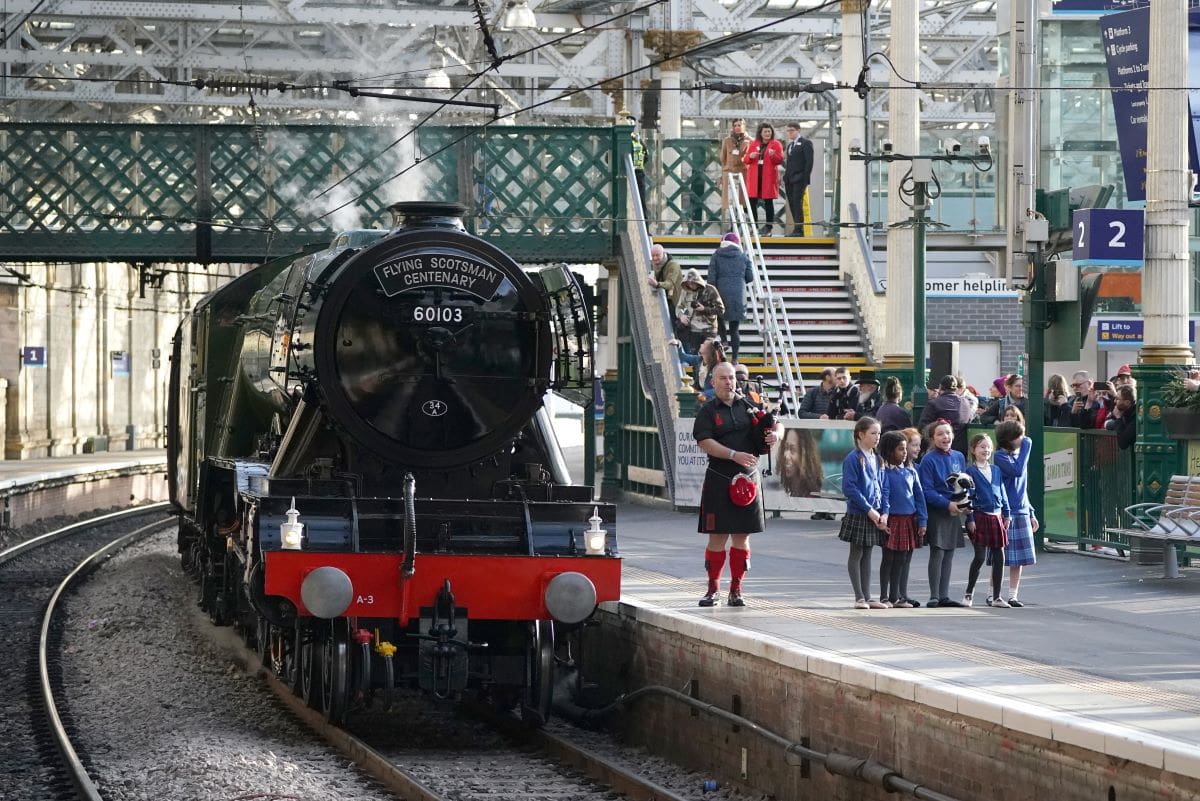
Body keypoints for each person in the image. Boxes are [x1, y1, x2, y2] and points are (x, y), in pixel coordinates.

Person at [693, 363, 779, 607]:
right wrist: (733, 455)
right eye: (723, 378)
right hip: (719, 477)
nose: (729, 382)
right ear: (713, 382)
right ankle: (713, 590)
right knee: (717, 537)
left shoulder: (749, 405)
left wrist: (776, 435)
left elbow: (775, 423)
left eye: (731, 377)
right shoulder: (707, 410)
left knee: (741, 537)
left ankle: (736, 590)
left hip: (748, 479)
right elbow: (704, 441)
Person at [838, 416, 888, 609]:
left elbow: (884, 487)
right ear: (861, 434)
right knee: (857, 553)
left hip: (875, 512)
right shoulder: (853, 458)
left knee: (868, 553)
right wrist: (869, 509)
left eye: (879, 433)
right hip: (859, 512)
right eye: (873, 433)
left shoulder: (878, 459)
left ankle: (867, 596)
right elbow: (850, 488)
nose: (877, 437)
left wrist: (884, 512)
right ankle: (859, 597)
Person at [917, 419, 968, 607]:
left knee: (949, 553)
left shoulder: (958, 456)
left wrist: (965, 506)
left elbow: (964, 484)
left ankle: (944, 595)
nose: (945, 437)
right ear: (932, 438)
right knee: (937, 551)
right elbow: (927, 490)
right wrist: (947, 504)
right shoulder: (928, 459)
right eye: (940, 434)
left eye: (948, 433)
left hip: (954, 510)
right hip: (938, 510)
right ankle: (934, 595)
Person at [878, 430, 927, 608]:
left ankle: (896, 596)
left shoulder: (911, 472)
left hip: (909, 520)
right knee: (888, 559)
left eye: (905, 449)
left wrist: (923, 521)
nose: (905, 453)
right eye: (900, 449)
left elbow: (919, 498)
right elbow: (884, 496)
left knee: (902, 559)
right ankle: (884, 596)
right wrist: (883, 516)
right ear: (889, 451)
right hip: (892, 520)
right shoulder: (884, 473)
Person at [962, 432, 1011, 608]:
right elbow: (968, 495)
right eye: (982, 446)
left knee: (1000, 556)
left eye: (989, 447)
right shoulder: (970, 471)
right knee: (980, 556)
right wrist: (970, 518)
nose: (986, 450)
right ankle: (969, 593)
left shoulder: (996, 470)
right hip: (979, 516)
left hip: (996, 516)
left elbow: (1002, 491)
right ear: (973, 450)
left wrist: (1007, 513)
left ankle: (997, 597)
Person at [995, 420, 1037, 607]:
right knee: (1000, 557)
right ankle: (993, 593)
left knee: (1017, 560)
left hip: (1021, 510)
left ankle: (1013, 594)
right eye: (1020, 436)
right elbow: (1017, 471)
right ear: (1010, 438)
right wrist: (1027, 445)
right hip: (1007, 511)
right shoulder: (1000, 457)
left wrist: (1030, 511)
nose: (1023, 439)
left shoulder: (1018, 456)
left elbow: (1022, 488)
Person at [707, 232, 753, 361]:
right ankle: (735, 359)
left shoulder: (716, 255)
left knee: (719, 317)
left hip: (721, 292)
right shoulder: (743, 257)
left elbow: (711, 279)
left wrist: (712, 293)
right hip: (738, 295)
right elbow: (750, 277)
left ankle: (724, 340)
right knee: (735, 328)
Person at [741, 122, 785, 236]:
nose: (767, 133)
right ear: (760, 133)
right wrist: (750, 156)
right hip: (754, 177)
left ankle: (768, 227)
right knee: (752, 201)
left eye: (769, 131)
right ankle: (754, 226)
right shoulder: (754, 143)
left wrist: (773, 155)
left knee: (768, 202)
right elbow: (745, 159)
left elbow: (780, 160)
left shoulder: (776, 144)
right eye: (765, 131)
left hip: (768, 177)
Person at [918, 374, 973, 454]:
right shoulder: (966, 403)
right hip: (960, 449)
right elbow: (969, 420)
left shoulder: (934, 403)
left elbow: (922, 427)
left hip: (939, 449)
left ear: (940, 387)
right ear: (956, 388)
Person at [674, 269, 724, 353]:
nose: (690, 285)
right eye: (688, 283)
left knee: (708, 355)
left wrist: (704, 309)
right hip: (694, 330)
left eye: (693, 283)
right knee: (695, 356)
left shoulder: (711, 290)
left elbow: (721, 309)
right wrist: (681, 316)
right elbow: (679, 307)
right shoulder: (685, 291)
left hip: (709, 329)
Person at [782, 122, 814, 236]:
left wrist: (805, 179)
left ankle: (799, 229)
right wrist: (785, 177)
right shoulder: (790, 146)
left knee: (797, 202)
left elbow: (809, 162)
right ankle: (797, 227)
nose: (790, 133)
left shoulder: (805, 143)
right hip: (790, 179)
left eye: (792, 130)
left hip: (800, 178)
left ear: (798, 130)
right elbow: (789, 163)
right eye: (788, 131)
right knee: (792, 203)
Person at [776, 426, 823, 499]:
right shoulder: (792, 492)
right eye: (786, 447)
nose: (786, 455)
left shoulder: (811, 498)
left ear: (805, 455)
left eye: (792, 449)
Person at [718, 118, 750, 222]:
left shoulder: (749, 141)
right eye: (735, 125)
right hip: (729, 172)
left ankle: (742, 223)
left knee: (742, 200)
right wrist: (725, 169)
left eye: (739, 125)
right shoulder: (727, 140)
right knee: (729, 201)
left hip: (743, 173)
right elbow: (723, 157)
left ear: (744, 126)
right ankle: (730, 224)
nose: (737, 127)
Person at [1106, 385, 1137, 450]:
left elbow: (1123, 443)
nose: (1114, 401)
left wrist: (1118, 418)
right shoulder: (1124, 412)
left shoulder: (1135, 416)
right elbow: (1108, 424)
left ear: (1127, 402)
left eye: (1117, 399)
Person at [630, 128, 648, 212]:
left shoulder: (618, 140)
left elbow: (608, 158)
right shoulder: (638, 141)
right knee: (641, 199)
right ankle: (643, 218)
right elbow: (646, 157)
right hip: (638, 172)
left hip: (623, 173)